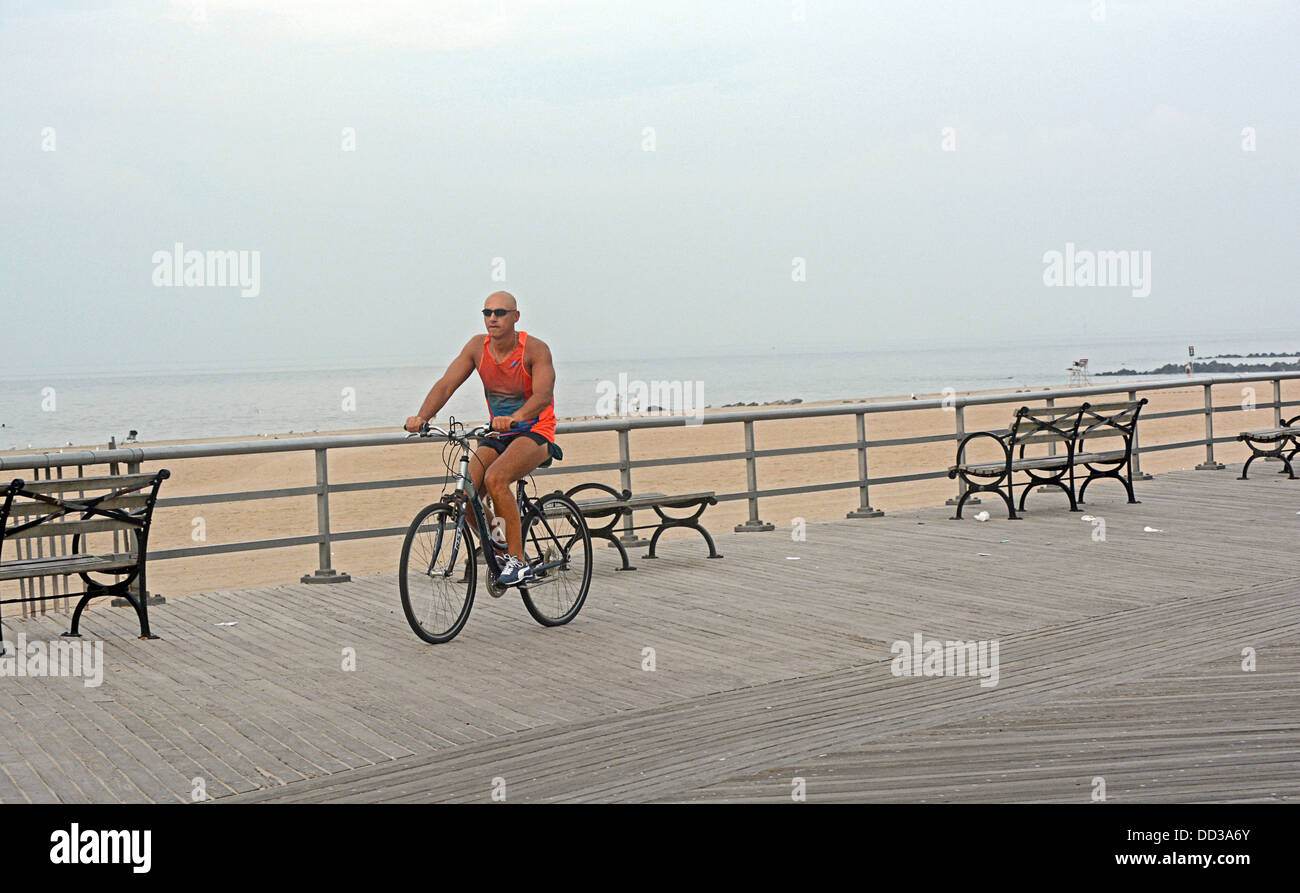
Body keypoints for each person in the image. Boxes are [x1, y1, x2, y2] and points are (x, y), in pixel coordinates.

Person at [404, 291, 560, 588]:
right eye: (487, 312)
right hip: (497, 433)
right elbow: (447, 384)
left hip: (535, 431)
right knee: (466, 493)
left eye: (500, 312)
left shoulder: (535, 350)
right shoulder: (477, 347)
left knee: (496, 478)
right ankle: (500, 544)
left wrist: (516, 417)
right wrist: (422, 417)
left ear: (515, 316)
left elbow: (542, 396)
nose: (493, 318)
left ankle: (519, 560)